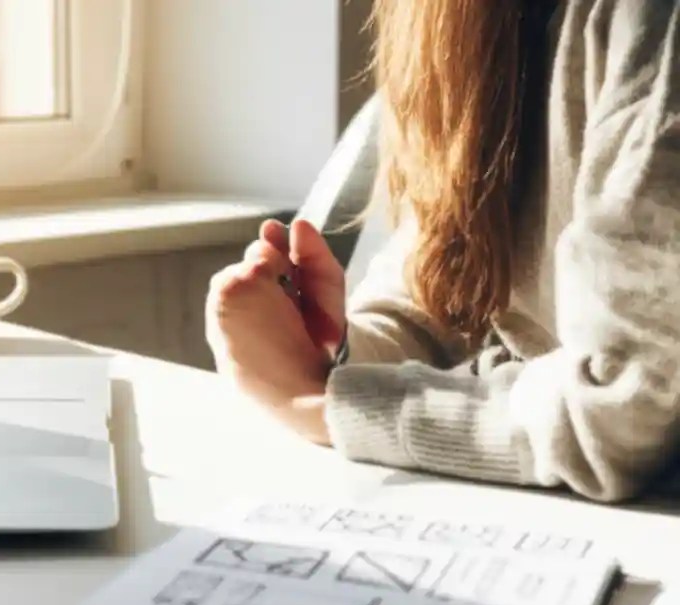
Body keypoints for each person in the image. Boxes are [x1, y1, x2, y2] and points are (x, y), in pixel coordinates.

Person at [205, 0, 680, 502]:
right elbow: (440, 300)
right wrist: (331, 351)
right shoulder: (455, 22)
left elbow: (625, 407)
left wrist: (326, 404)